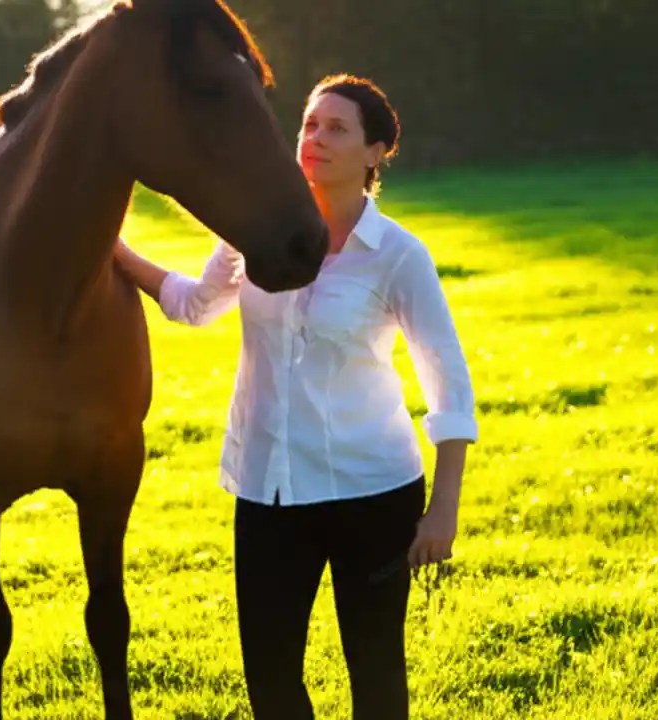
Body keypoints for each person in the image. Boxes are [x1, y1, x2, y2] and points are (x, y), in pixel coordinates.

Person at [117, 73, 477, 720]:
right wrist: (116, 253)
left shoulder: (398, 255)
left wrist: (443, 510)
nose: (315, 138)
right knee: (271, 679)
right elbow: (196, 305)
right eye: (309, 124)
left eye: (337, 128)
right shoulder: (256, 231)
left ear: (375, 153)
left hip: (374, 493)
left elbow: (448, 382)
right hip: (268, 492)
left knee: (375, 675)